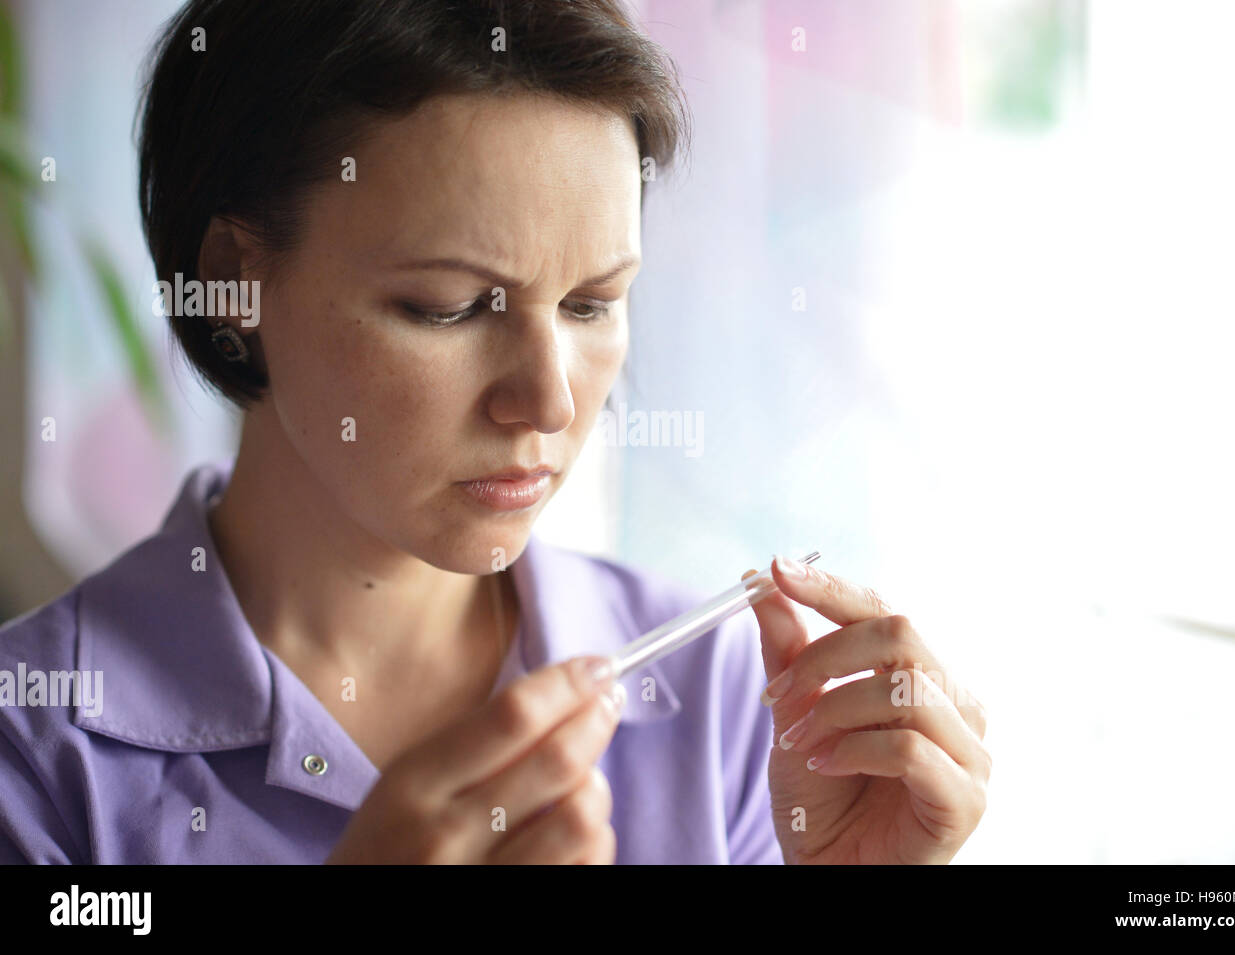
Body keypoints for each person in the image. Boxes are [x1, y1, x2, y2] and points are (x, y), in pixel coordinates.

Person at [0, 0, 988, 864]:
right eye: (449, 306)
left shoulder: (720, 700)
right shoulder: (35, 751)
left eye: (593, 302)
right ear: (235, 279)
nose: (550, 402)